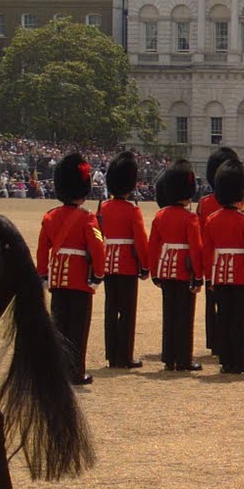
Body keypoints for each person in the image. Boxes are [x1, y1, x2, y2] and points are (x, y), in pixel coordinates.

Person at [34, 152, 107, 386]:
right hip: (80, 280)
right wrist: (97, 275)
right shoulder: (87, 218)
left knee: (59, 328)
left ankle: (57, 372)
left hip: (57, 279)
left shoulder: (50, 216)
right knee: (78, 329)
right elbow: (98, 249)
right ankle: (76, 372)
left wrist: (44, 275)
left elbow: (42, 250)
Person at [202, 158, 244, 376]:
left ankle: (226, 361)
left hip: (219, 275)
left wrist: (209, 277)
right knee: (241, 320)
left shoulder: (212, 219)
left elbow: (207, 252)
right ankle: (240, 362)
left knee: (224, 317)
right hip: (241, 276)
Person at [149, 159, 204, 372]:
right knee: (184, 316)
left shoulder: (160, 215)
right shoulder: (190, 218)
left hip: (165, 269)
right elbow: (195, 248)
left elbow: (153, 246)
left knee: (169, 315)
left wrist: (155, 272)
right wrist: (198, 276)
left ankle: (169, 357)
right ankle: (183, 359)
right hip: (184, 271)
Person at [97, 150, 149, 369]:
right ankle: (124, 356)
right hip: (127, 264)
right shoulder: (132, 210)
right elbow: (140, 241)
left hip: (108, 262)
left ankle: (111, 355)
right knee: (127, 312)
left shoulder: (103, 207)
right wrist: (145, 266)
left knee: (110, 309)